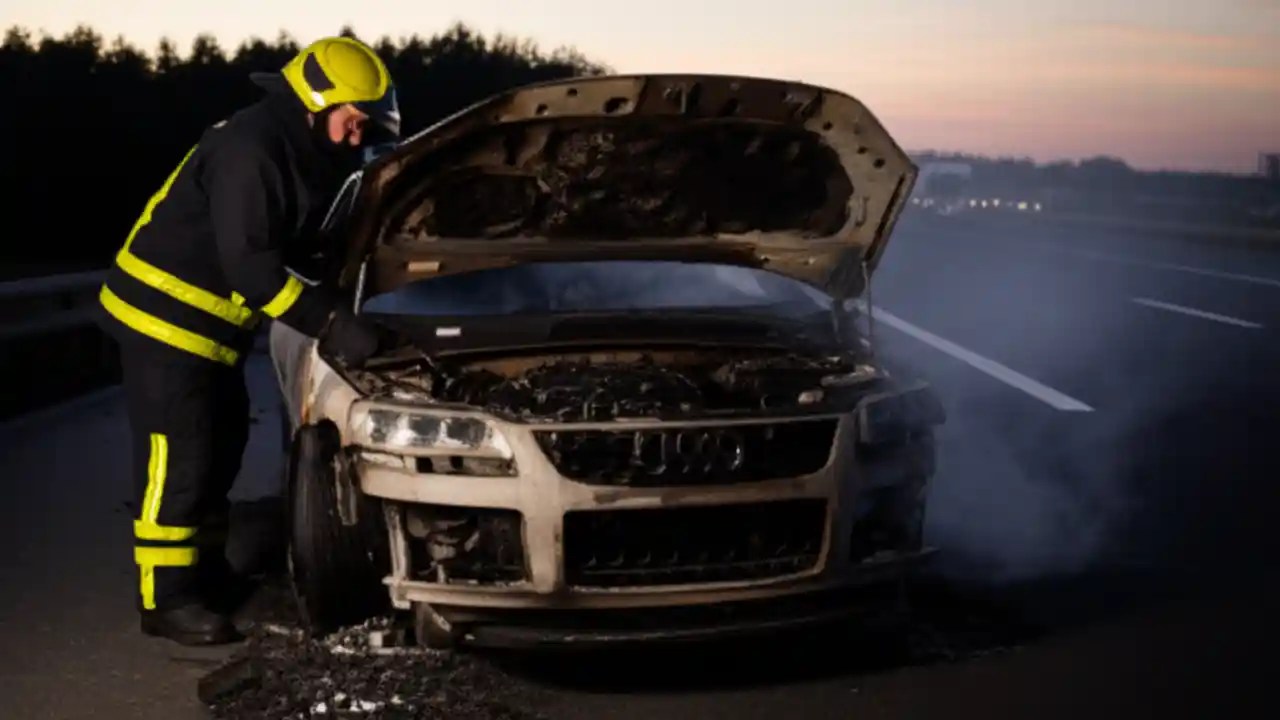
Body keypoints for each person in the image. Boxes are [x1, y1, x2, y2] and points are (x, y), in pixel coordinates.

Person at [95, 36, 401, 646]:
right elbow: (254, 271)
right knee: (178, 459)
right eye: (351, 121)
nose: (353, 138)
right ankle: (167, 597)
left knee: (221, 443)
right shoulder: (251, 148)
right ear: (318, 101)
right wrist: (333, 323)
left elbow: (289, 240)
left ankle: (203, 574)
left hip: (207, 332)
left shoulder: (297, 145)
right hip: (163, 323)